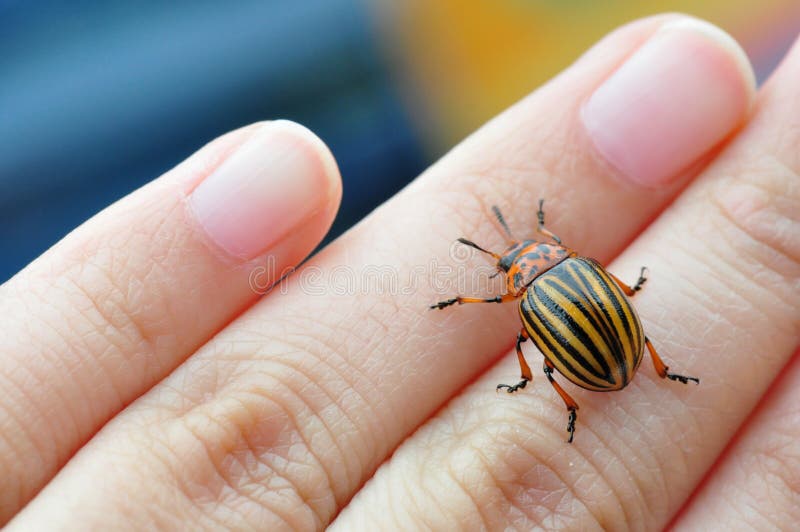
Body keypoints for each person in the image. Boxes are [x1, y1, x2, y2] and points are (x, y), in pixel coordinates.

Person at [1, 13, 798, 530]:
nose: (532, 254)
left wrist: (531, 367)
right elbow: (605, 302)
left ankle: (569, 392)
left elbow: (549, 331)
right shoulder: (577, 278)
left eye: (530, 253)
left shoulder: (531, 307)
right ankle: (651, 375)